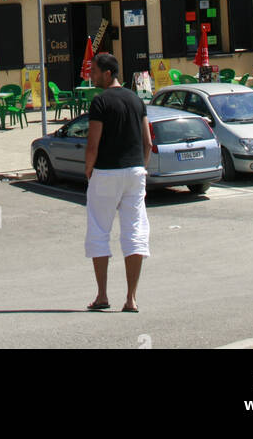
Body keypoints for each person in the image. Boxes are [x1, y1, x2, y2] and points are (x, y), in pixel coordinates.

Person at [84, 51, 152, 314]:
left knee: (99, 231)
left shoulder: (100, 102)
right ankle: (131, 298)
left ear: (108, 73)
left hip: (106, 172)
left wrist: (89, 171)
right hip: (135, 172)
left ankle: (102, 295)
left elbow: (93, 144)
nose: (91, 75)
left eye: (95, 71)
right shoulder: (137, 100)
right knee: (134, 231)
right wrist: (141, 168)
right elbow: (148, 142)